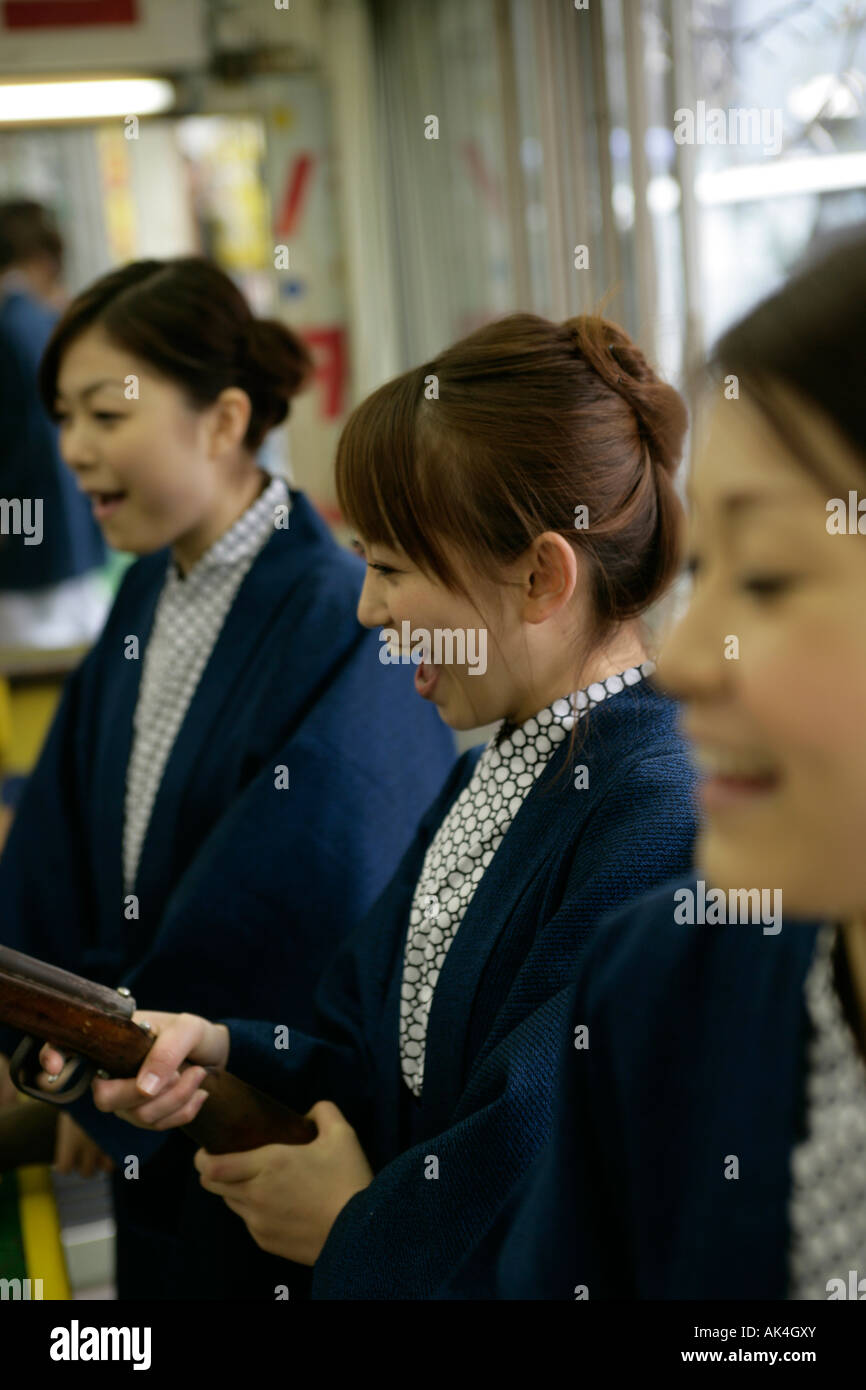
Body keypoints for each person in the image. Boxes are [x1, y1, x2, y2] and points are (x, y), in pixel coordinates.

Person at [81, 311, 700, 1298]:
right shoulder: (482, 778)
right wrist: (219, 1048)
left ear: (540, 574)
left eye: (393, 567)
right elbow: (367, 1058)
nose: (368, 610)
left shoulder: (655, 819)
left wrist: (354, 1229)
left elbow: (536, 1163)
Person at [0, 256, 457, 1298]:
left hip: (252, 1138)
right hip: (138, 1107)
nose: (73, 451)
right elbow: (63, 843)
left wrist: (119, 1057)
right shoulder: (146, 596)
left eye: (105, 415)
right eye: (61, 417)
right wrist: (68, 1046)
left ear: (223, 418)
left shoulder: (341, 615)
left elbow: (306, 896)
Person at [440, 231, 866, 1300]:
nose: (678, 662)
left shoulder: (637, 816)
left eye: (765, 578)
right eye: (704, 569)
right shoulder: (660, 994)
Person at [0, 200, 108, 648]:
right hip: (73, 532)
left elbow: (18, 446)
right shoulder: (48, 323)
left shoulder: (10, 326)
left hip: (27, 550)